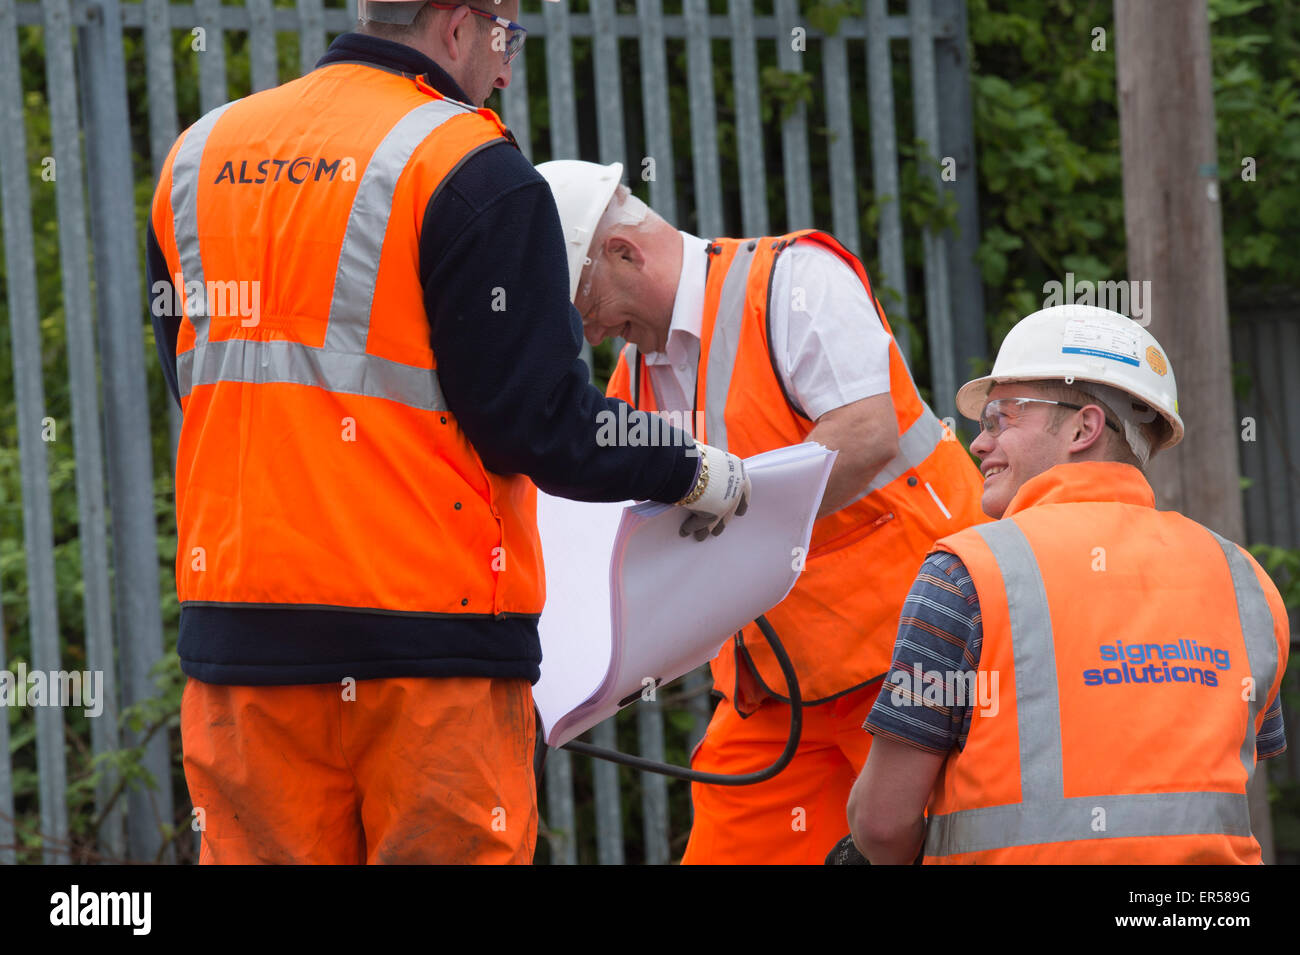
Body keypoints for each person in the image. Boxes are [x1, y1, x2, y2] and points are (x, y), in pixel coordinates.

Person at [146, 0, 748, 864]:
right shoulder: (472, 166)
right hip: (429, 649)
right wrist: (688, 467)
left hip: (245, 644)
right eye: (509, 39)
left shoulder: (198, 156)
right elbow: (537, 420)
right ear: (459, 26)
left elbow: (197, 381)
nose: (506, 71)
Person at [536, 160, 988, 864]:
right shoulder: (633, 377)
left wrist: (730, 496)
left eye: (584, 307)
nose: (590, 336)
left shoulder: (792, 283)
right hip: (780, 695)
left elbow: (867, 433)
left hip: (910, 664)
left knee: (958, 850)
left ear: (624, 252)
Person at [847, 304, 1290, 864]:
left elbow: (883, 824)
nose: (978, 444)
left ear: (1084, 427)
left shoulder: (967, 573)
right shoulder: (1245, 582)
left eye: (1001, 419)